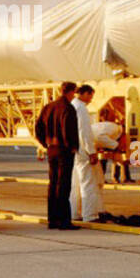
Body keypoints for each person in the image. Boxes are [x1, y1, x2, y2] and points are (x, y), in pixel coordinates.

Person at [34, 81, 79, 230]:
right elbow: (69, 130)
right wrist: (72, 146)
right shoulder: (68, 108)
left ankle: (52, 220)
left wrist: (45, 143)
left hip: (52, 149)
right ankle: (64, 221)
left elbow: (38, 127)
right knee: (64, 185)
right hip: (64, 150)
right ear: (71, 92)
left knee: (53, 184)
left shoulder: (48, 107)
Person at [69, 85, 106, 222]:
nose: (91, 99)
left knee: (75, 185)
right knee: (88, 183)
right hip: (83, 151)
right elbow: (85, 132)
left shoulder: (72, 105)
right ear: (84, 94)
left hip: (73, 151)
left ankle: (73, 213)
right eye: (90, 96)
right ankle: (90, 215)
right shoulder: (81, 108)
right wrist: (91, 152)